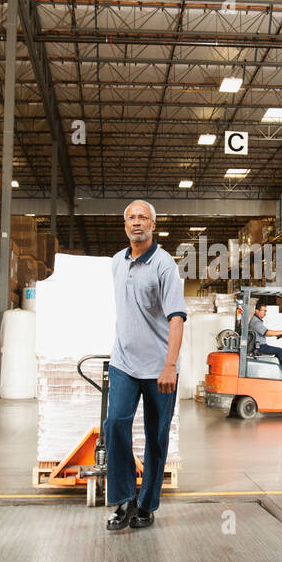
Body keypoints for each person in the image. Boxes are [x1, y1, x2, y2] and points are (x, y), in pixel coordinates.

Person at [104, 201, 187, 531]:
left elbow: (177, 319)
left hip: (159, 368)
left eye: (143, 218)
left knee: (156, 436)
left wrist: (170, 365)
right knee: (115, 424)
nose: (137, 223)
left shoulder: (164, 265)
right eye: (131, 218)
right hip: (123, 362)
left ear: (153, 224)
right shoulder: (116, 262)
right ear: (125, 224)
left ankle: (146, 505)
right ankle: (124, 499)